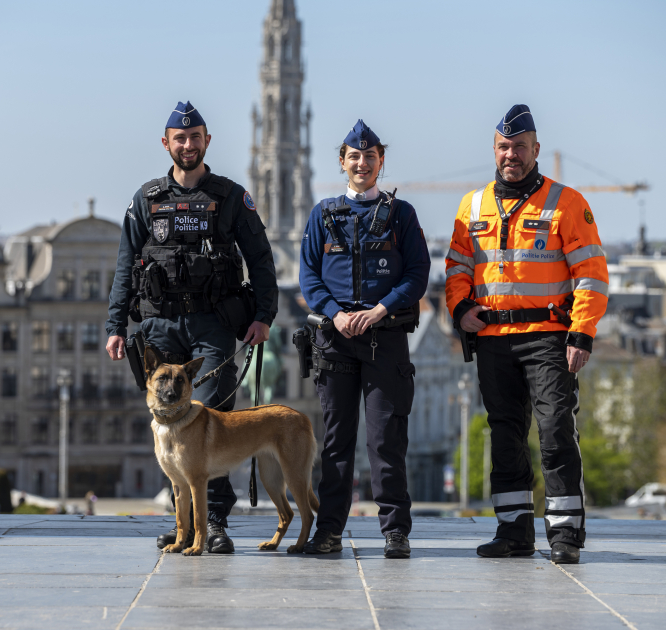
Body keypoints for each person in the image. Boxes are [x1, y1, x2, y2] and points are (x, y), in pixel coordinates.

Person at [106, 101, 278, 554]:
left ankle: (215, 522)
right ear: (167, 144)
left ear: (206, 142)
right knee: (168, 424)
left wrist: (264, 316)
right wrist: (116, 325)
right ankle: (183, 523)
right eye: (179, 138)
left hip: (212, 322)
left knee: (213, 423)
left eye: (195, 137)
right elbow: (126, 265)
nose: (188, 144)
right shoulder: (147, 200)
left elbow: (260, 259)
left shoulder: (229, 196)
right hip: (159, 327)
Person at [444, 104, 609, 564]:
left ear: (536, 150)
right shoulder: (472, 204)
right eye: (503, 146)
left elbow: (592, 273)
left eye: (519, 146)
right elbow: (457, 266)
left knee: (556, 431)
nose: (510, 154)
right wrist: (460, 308)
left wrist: (582, 332)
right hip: (493, 339)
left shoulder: (567, 202)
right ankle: (514, 531)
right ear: (493, 150)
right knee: (504, 436)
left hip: (549, 337)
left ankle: (565, 535)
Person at [299, 120, 430, 559]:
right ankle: (329, 530)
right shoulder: (323, 215)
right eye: (354, 156)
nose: (362, 163)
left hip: (385, 338)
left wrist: (380, 309)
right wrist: (336, 316)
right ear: (342, 162)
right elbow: (309, 278)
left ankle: (395, 531)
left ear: (381, 162)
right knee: (337, 441)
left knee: (385, 440)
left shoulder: (401, 215)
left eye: (369, 156)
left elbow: (417, 275)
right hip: (334, 341)